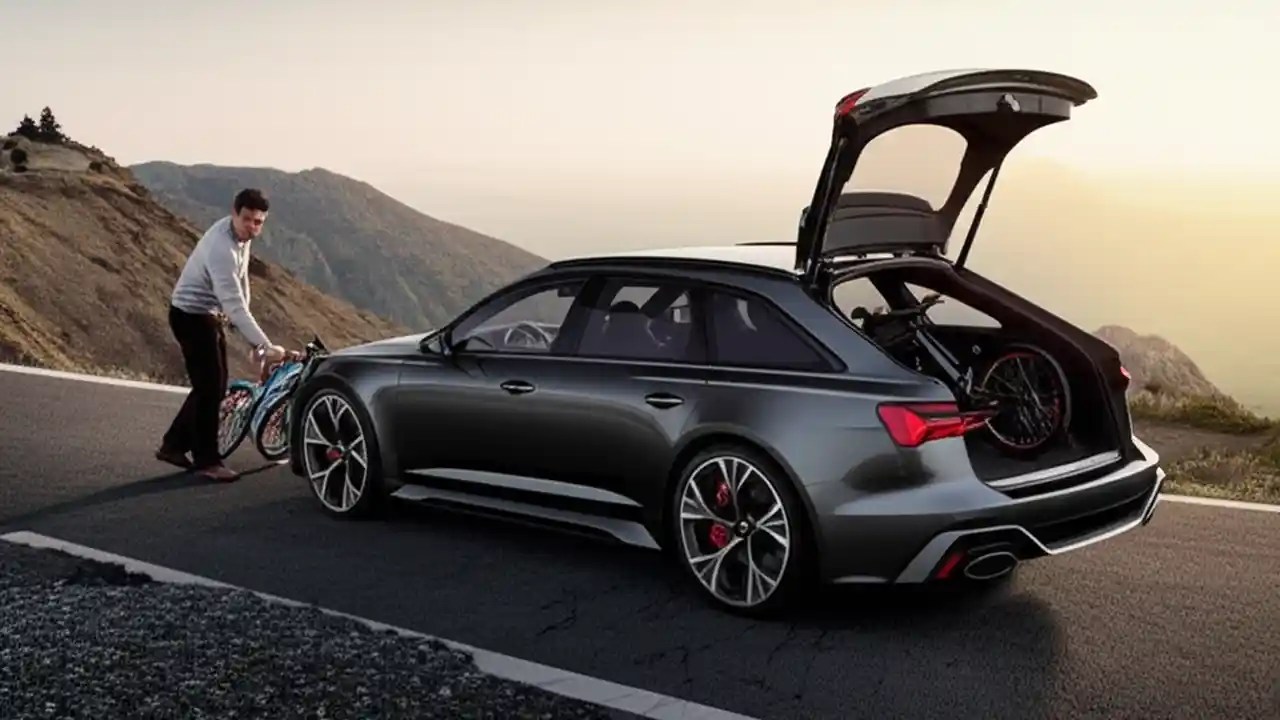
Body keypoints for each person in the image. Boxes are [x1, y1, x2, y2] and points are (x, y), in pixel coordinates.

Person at [155, 188, 287, 481]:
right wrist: (264, 346)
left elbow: (242, 286)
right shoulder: (221, 247)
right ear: (234, 213)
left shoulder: (241, 238)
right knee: (210, 388)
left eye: (259, 222)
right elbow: (233, 303)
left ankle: (173, 445)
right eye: (248, 220)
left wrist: (256, 345)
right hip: (190, 316)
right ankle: (207, 461)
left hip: (208, 316)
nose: (253, 227)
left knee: (213, 385)